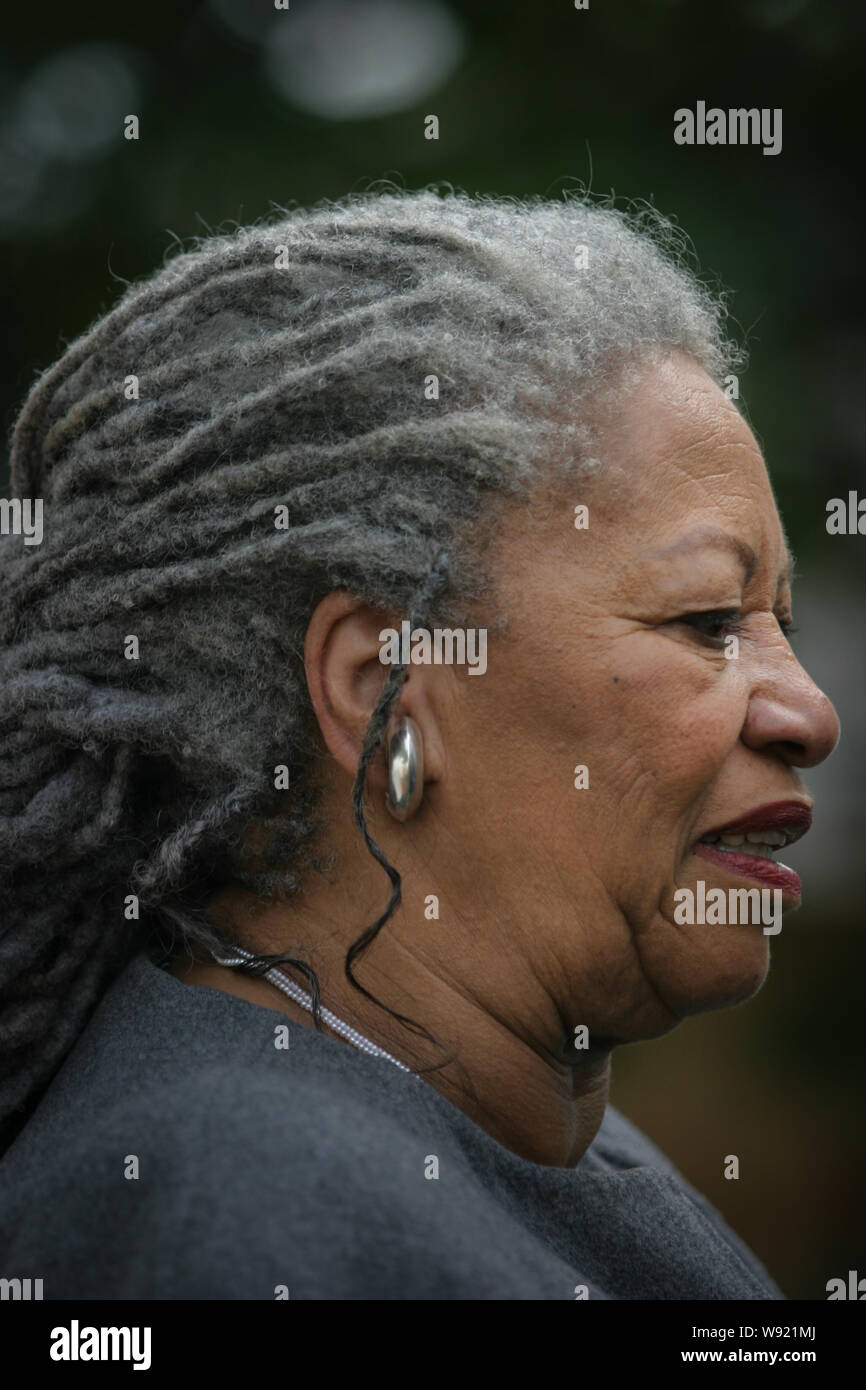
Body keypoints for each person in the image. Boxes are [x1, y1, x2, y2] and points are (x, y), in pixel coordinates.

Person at [0, 187, 839, 1299]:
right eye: (703, 621)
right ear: (381, 688)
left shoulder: (535, 1138)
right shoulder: (239, 1221)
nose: (807, 713)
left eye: (783, 622)